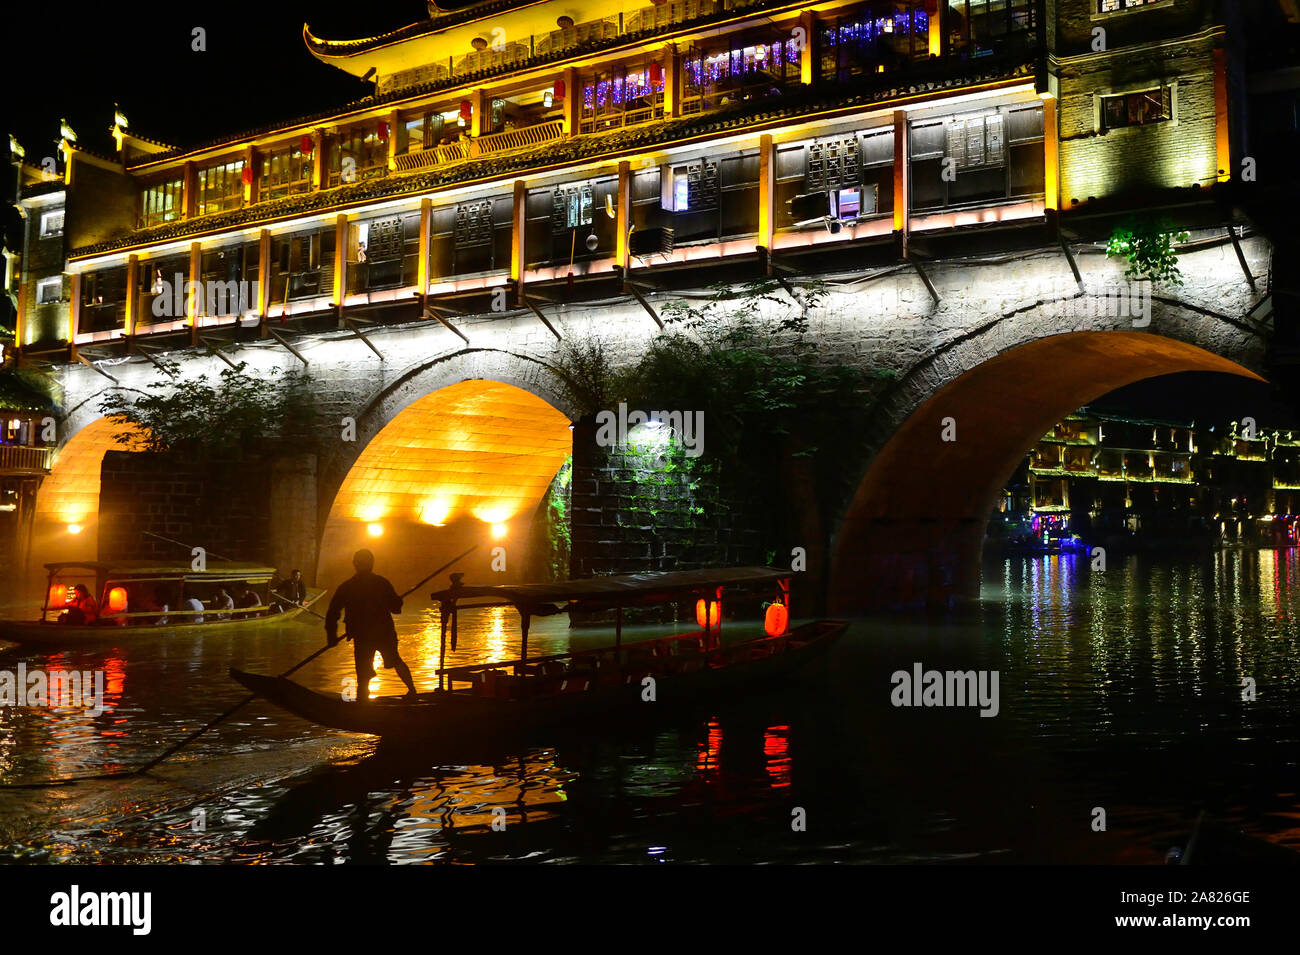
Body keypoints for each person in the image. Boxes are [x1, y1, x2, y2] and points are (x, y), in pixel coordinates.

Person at [325, 549, 417, 702]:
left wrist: (332, 636)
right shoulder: (381, 583)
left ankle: (363, 702)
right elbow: (396, 609)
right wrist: (398, 601)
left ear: (355, 564)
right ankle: (413, 692)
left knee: (363, 671)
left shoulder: (347, 587)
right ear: (372, 564)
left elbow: (332, 613)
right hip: (383, 632)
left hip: (363, 636)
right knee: (395, 660)